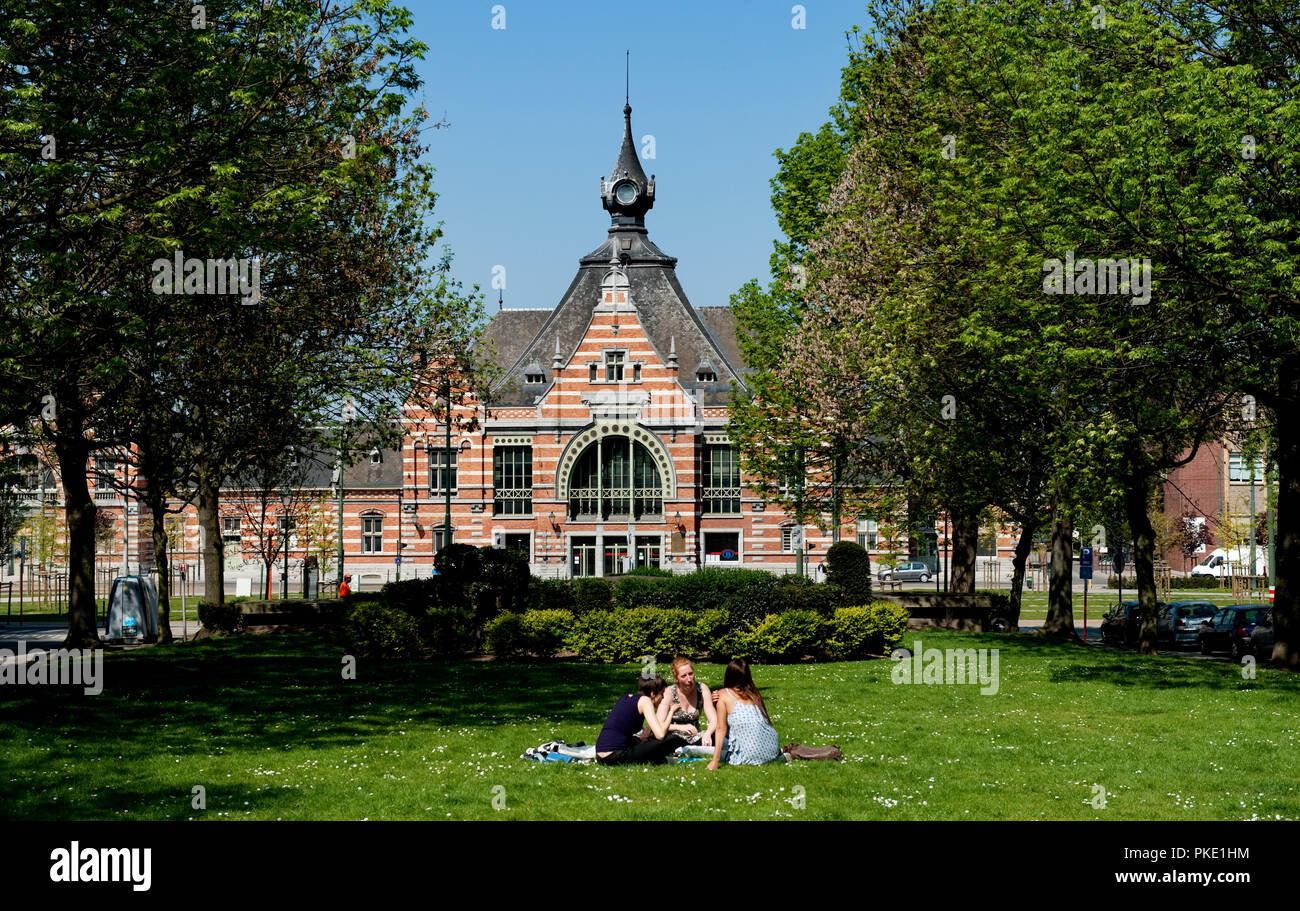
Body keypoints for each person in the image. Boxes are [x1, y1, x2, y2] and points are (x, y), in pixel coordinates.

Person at [707, 658, 782, 768]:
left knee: (719, 741)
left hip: (749, 756)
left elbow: (721, 729)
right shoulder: (754, 694)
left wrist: (715, 761)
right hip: (772, 751)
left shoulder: (723, 695)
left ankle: (693, 750)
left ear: (728, 675)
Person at [596, 674, 686, 765]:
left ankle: (656, 758)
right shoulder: (645, 701)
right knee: (672, 739)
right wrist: (671, 712)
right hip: (614, 756)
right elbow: (660, 735)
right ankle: (659, 759)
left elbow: (622, 727)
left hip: (600, 756)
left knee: (645, 742)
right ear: (653, 693)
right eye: (662, 693)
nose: (663, 697)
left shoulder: (625, 698)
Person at [656, 656, 719, 747]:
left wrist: (708, 733)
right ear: (676, 678)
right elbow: (658, 724)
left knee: (720, 736)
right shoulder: (669, 693)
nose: (689, 679)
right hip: (673, 736)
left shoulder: (702, 689)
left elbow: (713, 719)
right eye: (683, 676)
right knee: (669, 741)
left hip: (696, 736)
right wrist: (680, 727)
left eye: (690, 674)